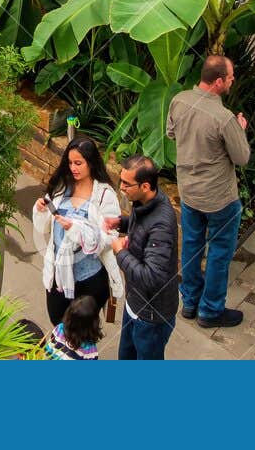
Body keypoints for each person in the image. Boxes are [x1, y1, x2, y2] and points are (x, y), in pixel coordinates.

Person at [169, 55, 249, 329]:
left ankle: (189, 303)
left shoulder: (178, 100)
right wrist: (240, 131)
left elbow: (171, 133)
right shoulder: (225, 118)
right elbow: (241, 158)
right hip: (219, 199)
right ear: (218, 82)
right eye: (230, 77)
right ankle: (211, 310)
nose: (233, 80)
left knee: (191, 247)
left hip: (189, 192)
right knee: (218, 253)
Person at [33, 136, 123, 326]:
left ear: (90, 163)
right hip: (58, 275)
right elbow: (43, 227)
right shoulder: (61, 186)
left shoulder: (104, 195)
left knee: (82, 334)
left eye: (78, 163)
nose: (73, 168)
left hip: (89, 279)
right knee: (57, 326)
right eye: (70, 163)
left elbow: (110, 238)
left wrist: (77, 230)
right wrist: (40, 210)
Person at [104, 155, 179, 359]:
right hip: (134, 304)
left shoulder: (161, 225)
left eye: (127, 184)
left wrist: (120, 252)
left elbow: (151, 276)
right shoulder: (144, 201)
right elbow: (141, 227)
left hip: (151, 317)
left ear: (145, 186)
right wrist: (121, 223)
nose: (121, 188)